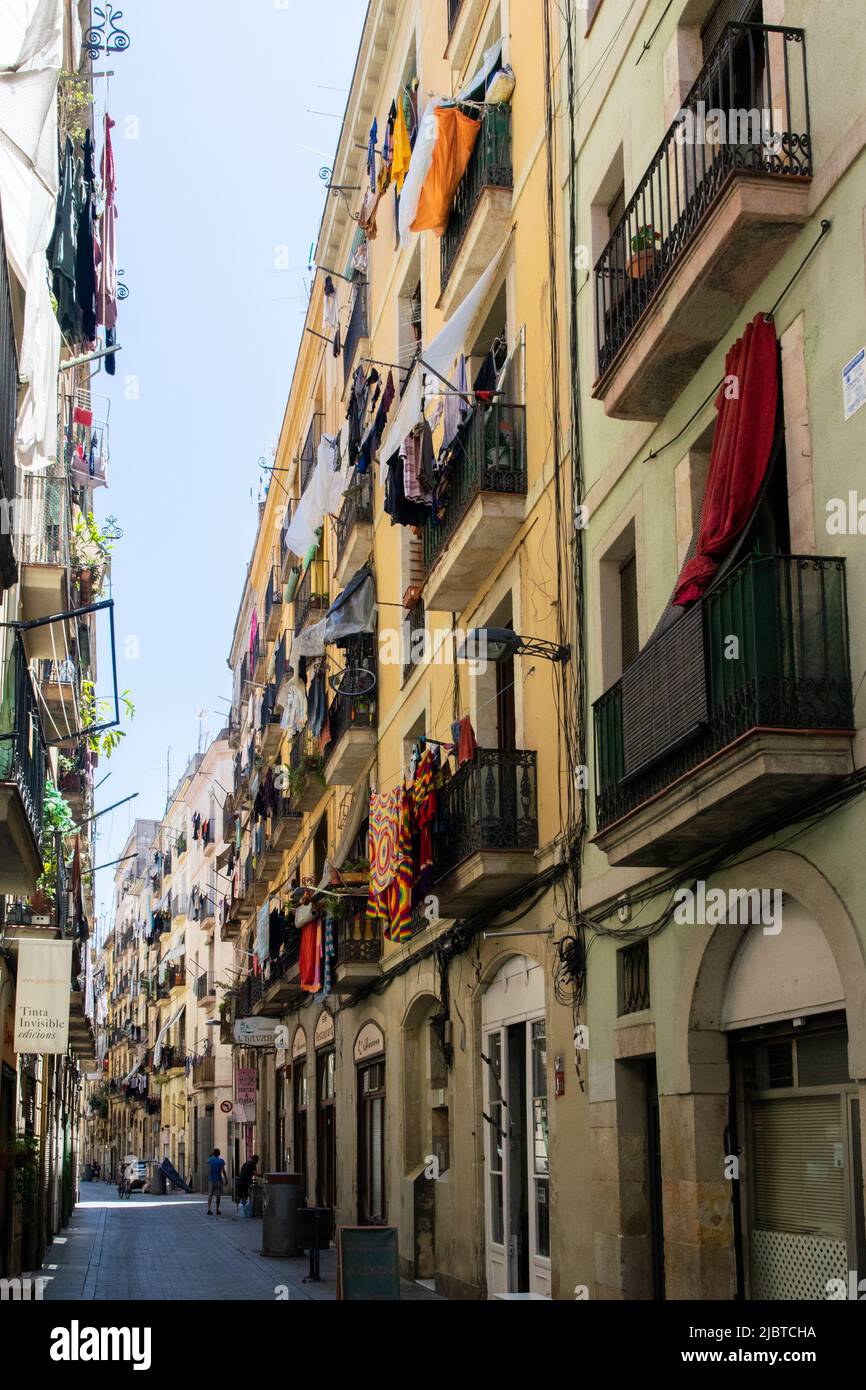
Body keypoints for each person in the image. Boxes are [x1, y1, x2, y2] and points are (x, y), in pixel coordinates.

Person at [206, 1147, 227, 1215]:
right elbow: (223, 1171)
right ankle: (217, 1210)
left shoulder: (210, 1160)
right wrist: (226, 1179)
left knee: (210, 1194)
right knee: (218, 1195)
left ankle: (209, 1209)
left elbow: (209, 1167)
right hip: (219, 1179)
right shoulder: (221, 1161)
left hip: (211, 1179)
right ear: (219, 1154)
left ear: (213, 1153)